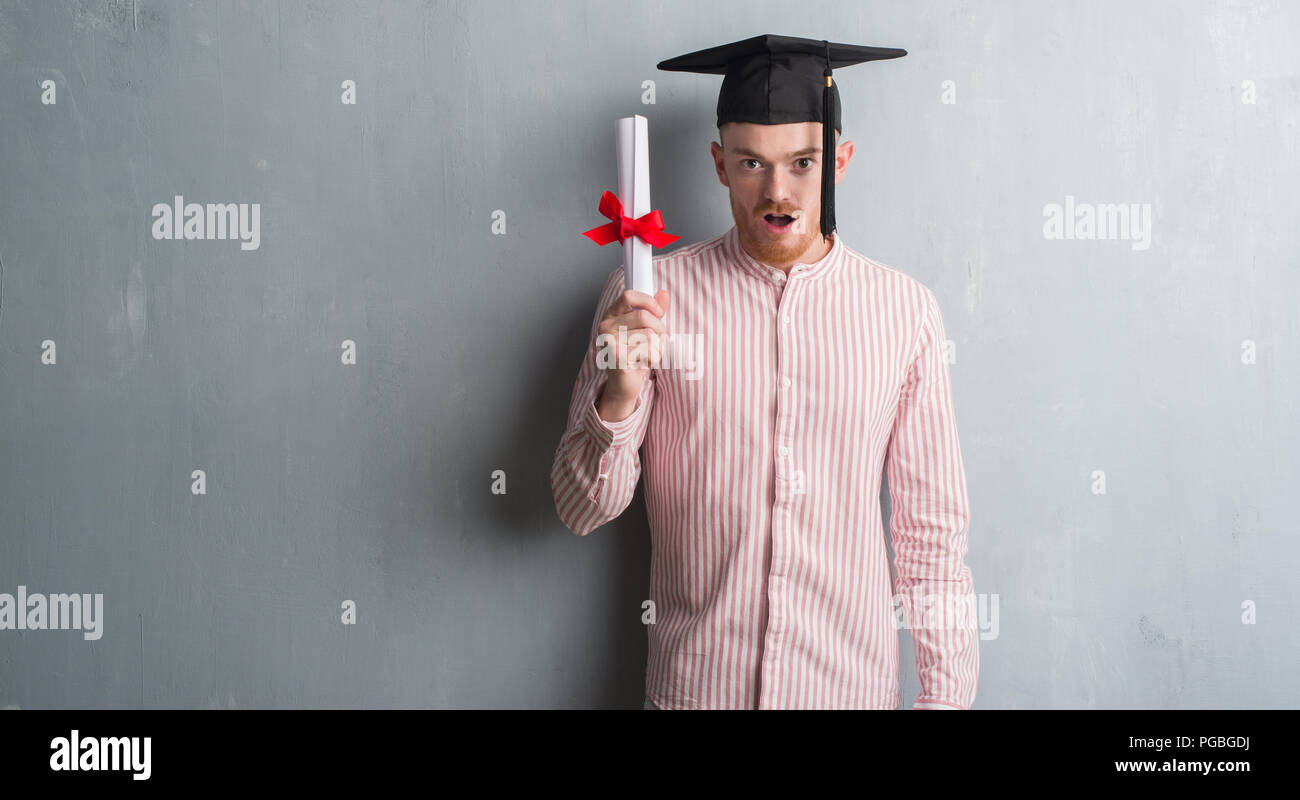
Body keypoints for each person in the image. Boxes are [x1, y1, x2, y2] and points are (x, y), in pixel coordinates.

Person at [552, 34, 979, 710]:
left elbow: (932, 539)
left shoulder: (906, 313)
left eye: (803, 163)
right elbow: (579, 512)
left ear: (839, 162)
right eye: (752, 162)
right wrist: (620, 394)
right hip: (697, 694)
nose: (777, 193)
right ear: (721, 164)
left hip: (849, 695)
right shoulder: (645, 300)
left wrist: (946, 703)